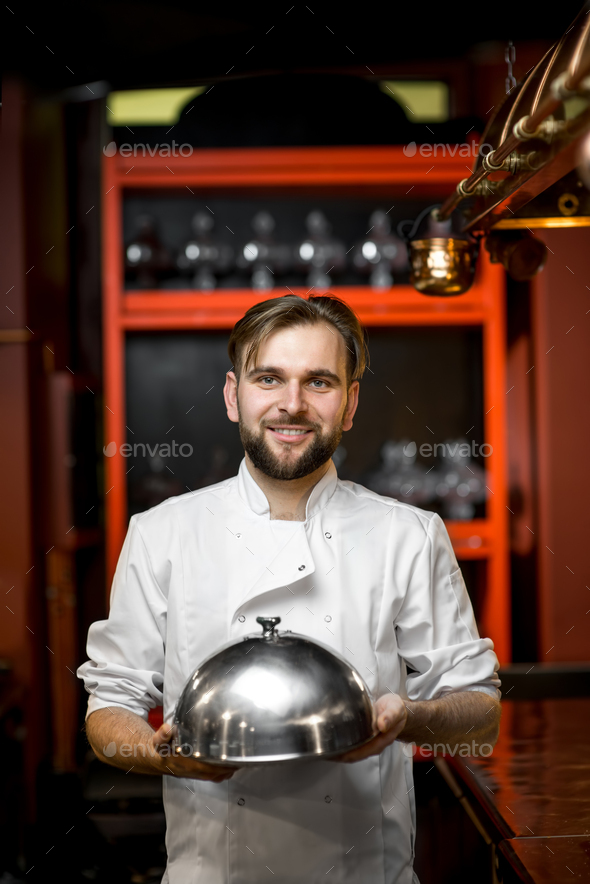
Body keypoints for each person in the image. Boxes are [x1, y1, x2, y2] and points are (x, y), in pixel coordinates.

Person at [78, 294, 501, 884]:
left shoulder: (409, 534)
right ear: (233, 395)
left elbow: (480, 714)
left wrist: (407, 717)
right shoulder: (161, 534)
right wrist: (163, 754)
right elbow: (108, 712)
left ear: (350, 403)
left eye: (319, 381)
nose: (292, 404)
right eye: (269, 378)